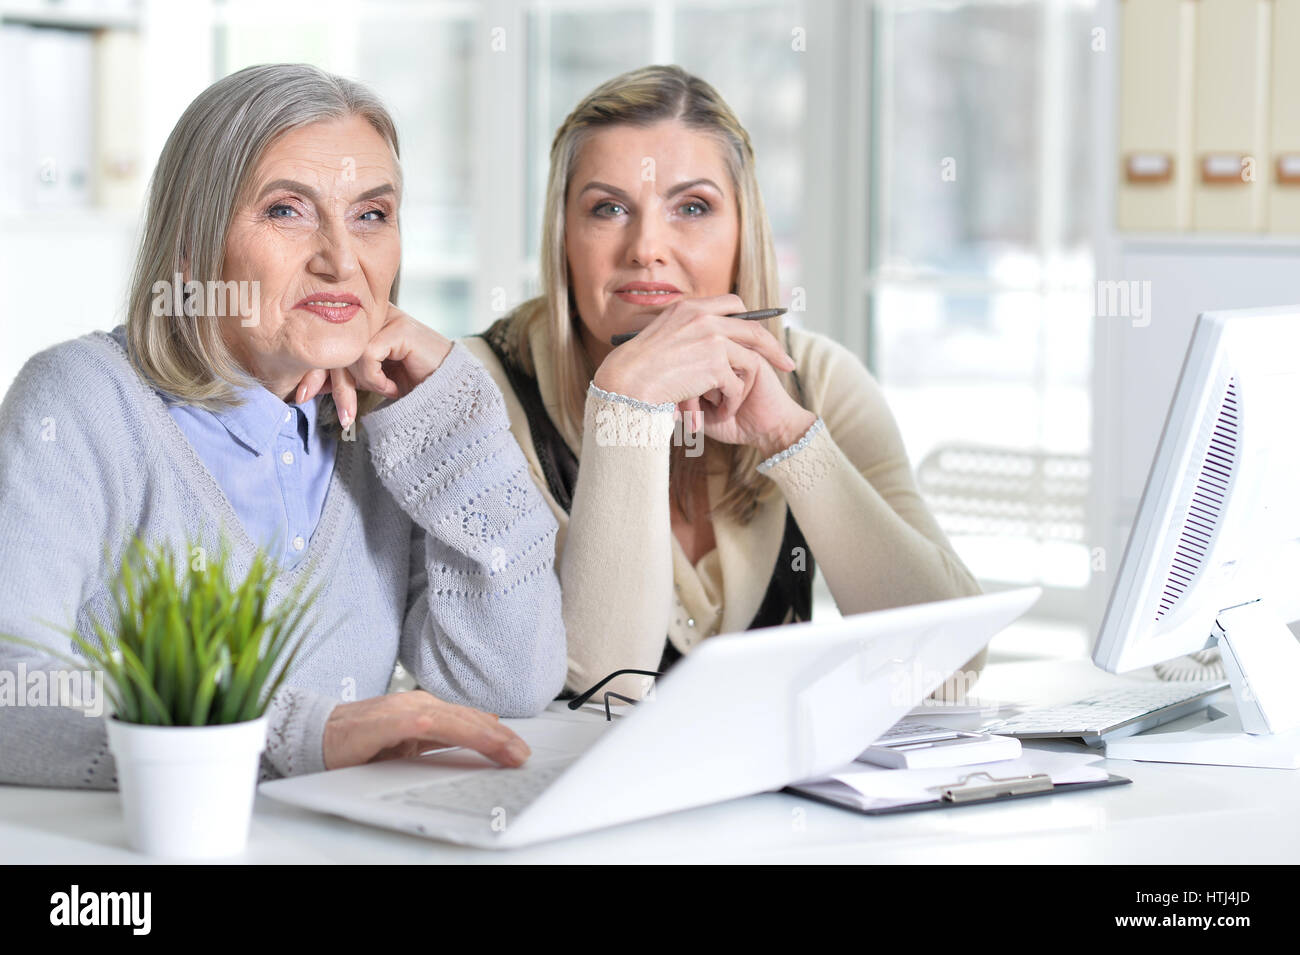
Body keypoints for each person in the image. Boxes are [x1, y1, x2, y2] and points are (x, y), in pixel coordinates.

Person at [0, 64, 566, 789]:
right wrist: (298, 734)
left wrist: (458, 412)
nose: (340, 260)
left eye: (371, 215)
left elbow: (508, 681)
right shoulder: (82, 401)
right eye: (287, 211)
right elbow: (13, 685)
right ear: (191, 249)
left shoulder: (389, 422)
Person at [458, 65, 984, 702]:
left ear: (744, 231)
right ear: (565, 235)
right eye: (609, 208)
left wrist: (787, 435)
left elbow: (952, 669)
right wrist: (628, 410)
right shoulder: (480, 392)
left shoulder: (817, 380)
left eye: (692, 207)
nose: (646, 247)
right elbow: (602, 691)